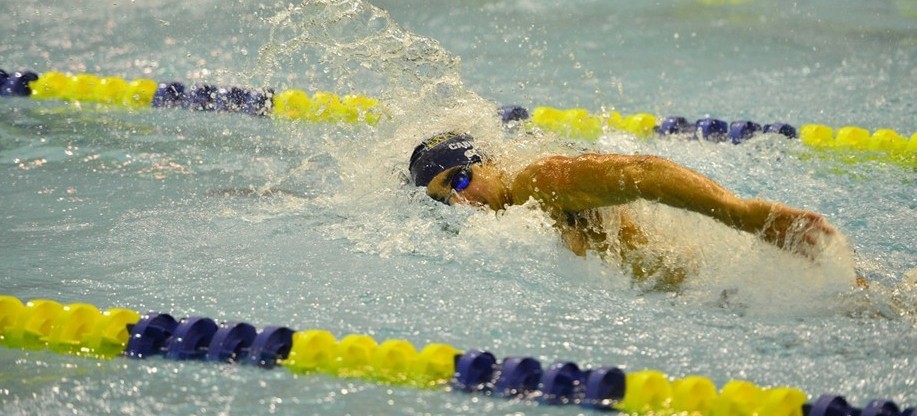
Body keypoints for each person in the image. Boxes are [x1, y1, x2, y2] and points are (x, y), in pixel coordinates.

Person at [408, 131, 838, 288]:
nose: (461, 201)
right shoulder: (514, 219)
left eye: (459, 179)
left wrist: (744, 216)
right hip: (729, 288)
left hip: (748, 284)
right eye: (446, 199)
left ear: (490, 163)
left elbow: (641, 172)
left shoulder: (534, 184)